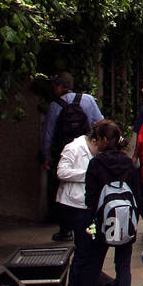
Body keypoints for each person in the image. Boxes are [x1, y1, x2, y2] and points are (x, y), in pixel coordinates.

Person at [76, 120, 143, 286]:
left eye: (97, 139)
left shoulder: (95, 163)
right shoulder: (127, 163)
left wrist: (92, 219)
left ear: (104, 141)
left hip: (99, 220)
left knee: (93, 263)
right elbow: (136, 193)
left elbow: (90, 196)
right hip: (124, 220)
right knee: (123, 264)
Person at [40, 72, 104, 243]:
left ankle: (65, 229)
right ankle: (91, 227)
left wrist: (46, 156)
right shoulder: (88, 100)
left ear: (59, 87)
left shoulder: (55, 105)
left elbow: (48, 132)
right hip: (87, 147)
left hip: (65, 149)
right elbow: (101, 122)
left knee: (63, 188)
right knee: (90, 185)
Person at [56, 123, 99, 286]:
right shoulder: (73, 148)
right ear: (94, 141)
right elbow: (61, 172)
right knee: (83, 250)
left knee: (87, 249)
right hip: (76, 206)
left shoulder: (91, 150)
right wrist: (87, 174)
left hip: (87, 206)